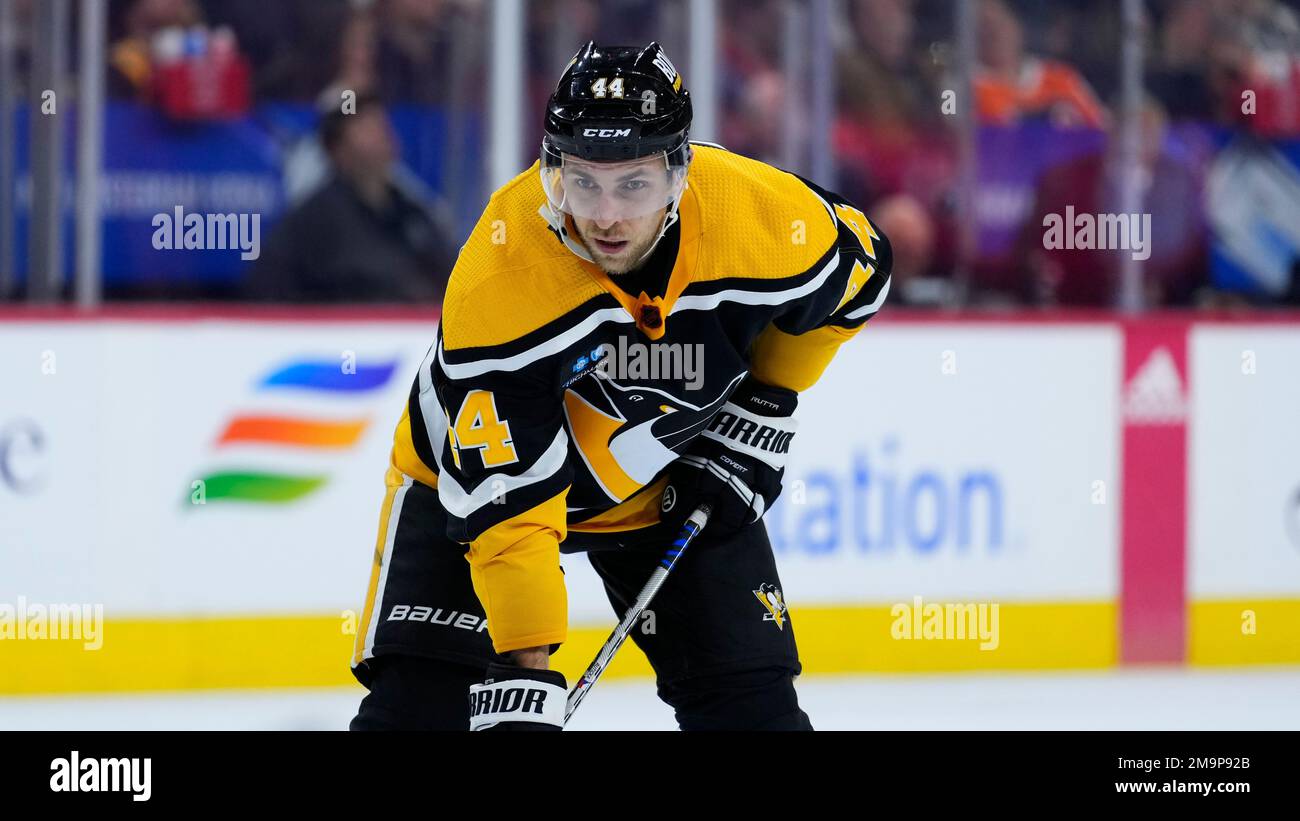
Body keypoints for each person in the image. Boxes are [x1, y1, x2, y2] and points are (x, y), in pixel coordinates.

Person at [348, 41, 893, 731]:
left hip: (668, 481)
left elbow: (863, 271)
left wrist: (767, 403)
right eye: (584, 182)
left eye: (632, 184)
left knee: (752, 713)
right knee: (417, 713)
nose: (605, 216)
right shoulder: (501, 276)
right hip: (467, 492)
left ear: (677, 174)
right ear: (553, 172)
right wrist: (526, 672)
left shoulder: (756, 219)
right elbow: (508, 512)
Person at [247, 92, 456, 303]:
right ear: (337, 148)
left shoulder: (412, 216)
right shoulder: (314, 221)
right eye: (365, 126)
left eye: (381, 123)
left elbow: (449, 276)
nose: (381, 133)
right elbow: (269, 287)